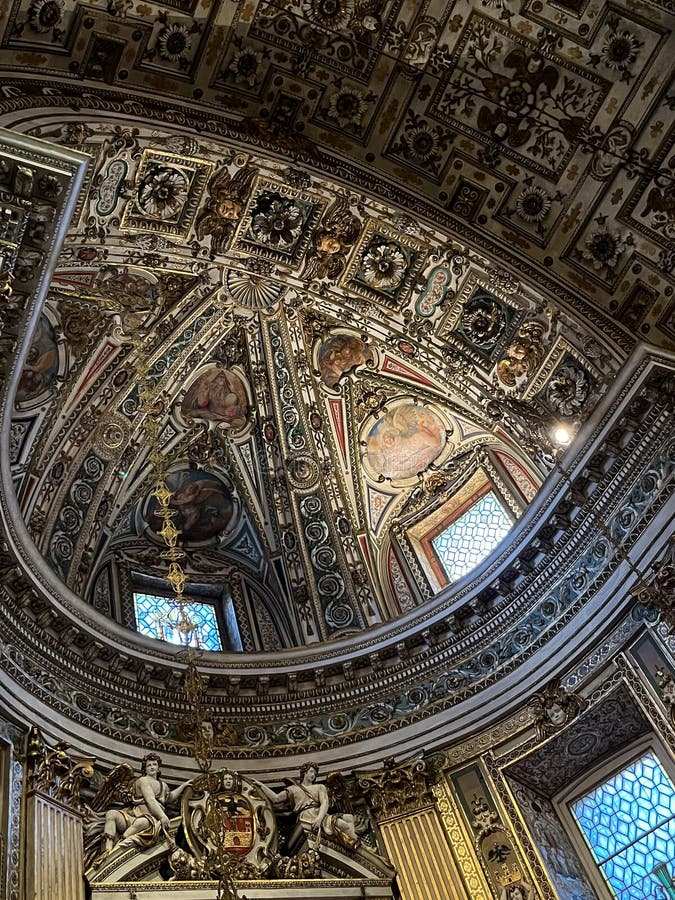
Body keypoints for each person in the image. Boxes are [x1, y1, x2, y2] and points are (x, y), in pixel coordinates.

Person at [253, 762, 359, 850]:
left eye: (315, 773)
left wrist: (319, 819)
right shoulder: (293, 789)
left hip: (319, 814)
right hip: (306, 816)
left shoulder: (319, 787)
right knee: (343, 825)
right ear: (304, 773)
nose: (313, 775)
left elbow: (325, 803)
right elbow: (275, 799)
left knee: (347, 822)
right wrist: (261, 785)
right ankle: (354, 847)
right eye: (311, 772)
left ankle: (356, 847)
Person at [102, 753, 190, 853]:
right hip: (134, 817)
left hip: (150, 820)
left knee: (142, 822)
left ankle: (120, 844)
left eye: (154, 764)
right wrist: (162, 816)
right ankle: (107, 851)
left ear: (158, 767)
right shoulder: (143, 780)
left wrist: (183, 786)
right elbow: (150, 800)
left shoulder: (163, 785)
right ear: (145, 769)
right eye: (149, 765)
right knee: (111, 814)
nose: (152, 767)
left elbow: (170, 797)